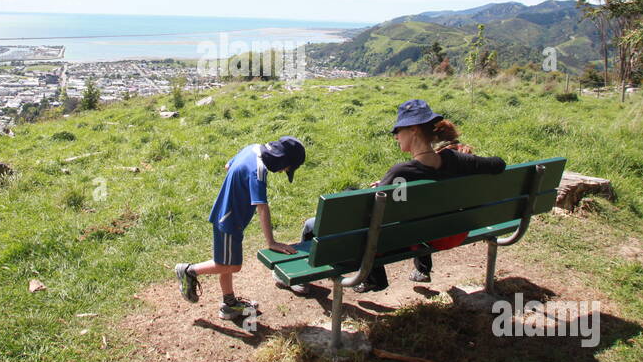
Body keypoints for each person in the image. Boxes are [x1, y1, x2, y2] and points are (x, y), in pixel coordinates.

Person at [288, 99, 505, 296]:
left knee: (314, 223)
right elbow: (499, 164)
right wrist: (465, 159)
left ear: (413, 130)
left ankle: (301, 277)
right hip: (450, 232)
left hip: (404, 239)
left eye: (398, 131)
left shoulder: (402, 172)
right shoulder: (456, 159)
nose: (395, 136)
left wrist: (381, 187)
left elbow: (368, 214)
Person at [175, 136, 305, 321]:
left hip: (223, 212)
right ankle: (189, 270)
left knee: (225, 262)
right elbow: (262, 206)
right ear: (283, 160)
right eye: (286, 168)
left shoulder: (252, 149)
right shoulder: (258, 171)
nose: (283, 171)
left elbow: (229, 166)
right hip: (231, 220)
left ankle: (229, 304)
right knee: (231, 265)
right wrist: (272, 242)